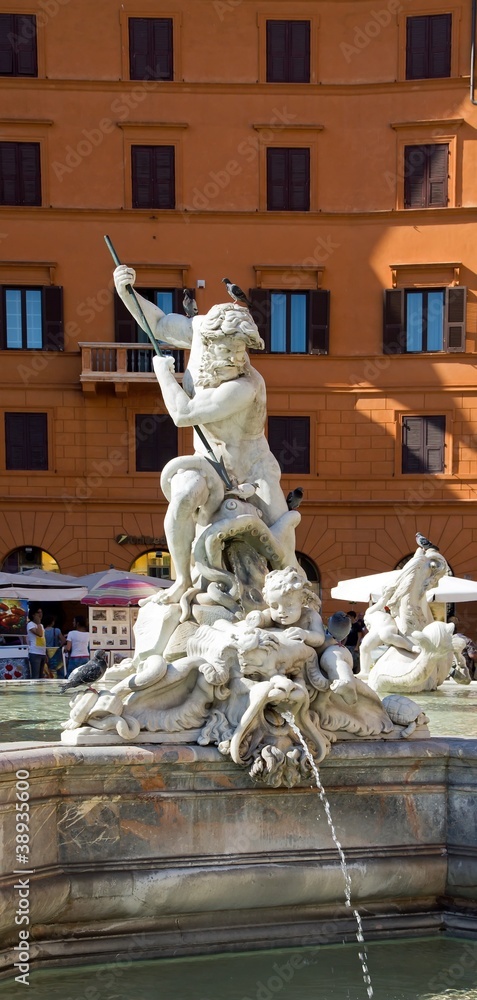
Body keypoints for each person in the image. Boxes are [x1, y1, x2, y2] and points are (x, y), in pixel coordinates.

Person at [114, 265, 298, 605]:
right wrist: (127, 292)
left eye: (241, 351)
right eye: (227, 350)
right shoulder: (200, 331)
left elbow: (184, 415)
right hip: (208, 463)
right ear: (208, 341)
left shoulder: (245, 386)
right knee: (183, 495)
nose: (235, 358)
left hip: (253, 469)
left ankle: (293, 606)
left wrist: (163, 375)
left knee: (282, 551)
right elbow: (157, 323)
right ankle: (182, 580)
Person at [26, 608, 46, 679]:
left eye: (41, 612)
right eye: (38, 612)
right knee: (35, 676)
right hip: (34, 652)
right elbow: (39, 634)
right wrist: (38, 623)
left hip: (42, 652)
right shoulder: (30, 624)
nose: (40, 614)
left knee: (41, 676)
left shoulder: (41, 625)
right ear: (33, 614)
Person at [345, 610, 366, 674]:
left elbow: (359, 637)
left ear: (352, 617)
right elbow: (346, 636)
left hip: (354, 646)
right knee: (347, 661)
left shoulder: (357, 626)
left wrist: (357, 646)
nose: (347, 618)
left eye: (348, 616)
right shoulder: (347, 625)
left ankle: (355, 674)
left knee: (355, 662)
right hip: (347, 646)